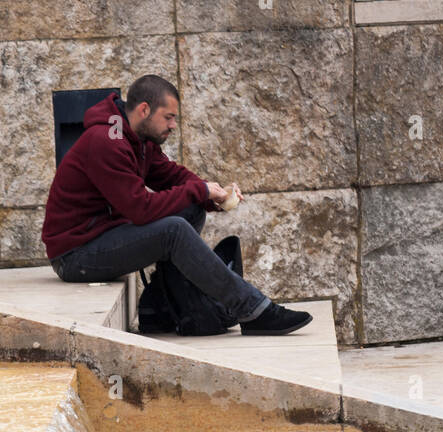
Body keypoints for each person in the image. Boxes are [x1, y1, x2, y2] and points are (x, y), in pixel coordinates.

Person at [41, 75, 311, 336]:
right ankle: (253, 310)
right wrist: (199, 190)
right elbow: (140, 208)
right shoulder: (107, 142)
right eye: (168, 117)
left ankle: (157, 309)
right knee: (174, 230)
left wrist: (210, 193)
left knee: (190, 209)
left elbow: (170, 175)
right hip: (75, 255)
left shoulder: (137, 138)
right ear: (145, 109)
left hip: (103, 236)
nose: (172, 125)